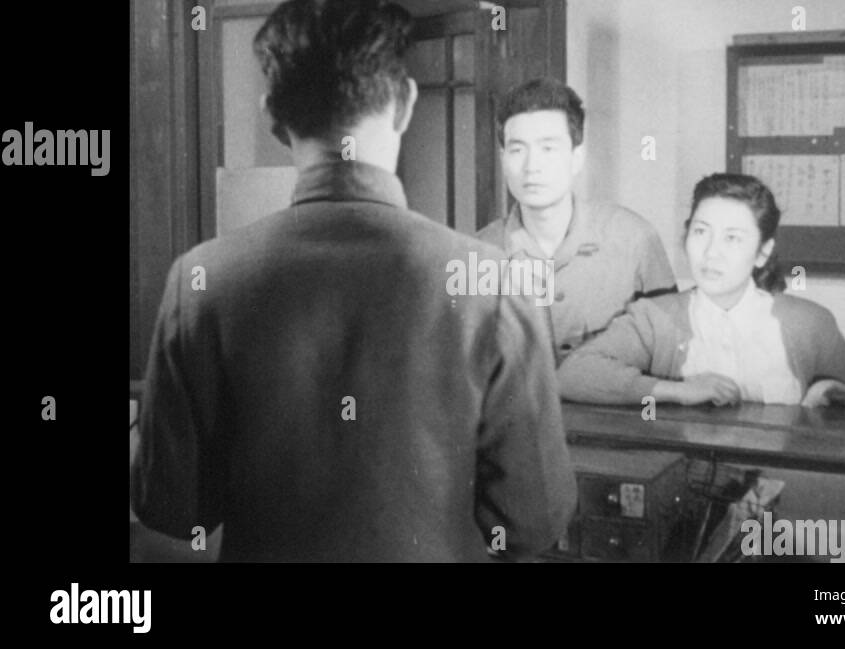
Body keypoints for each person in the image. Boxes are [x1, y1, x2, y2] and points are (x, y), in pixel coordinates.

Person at [130, 0, 576, 562]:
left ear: (272, 117)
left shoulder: (200, 281)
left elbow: (171, 505)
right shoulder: (494, 283)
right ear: (405, 104)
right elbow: (534, 519)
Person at [557, 173, 845, 407]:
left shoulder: (811, 323)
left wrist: (826, 390)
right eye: (701, 232)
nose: (711, 252)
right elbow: (571, 376)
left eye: (732, 238)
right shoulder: (654, 316)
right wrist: (677, 390)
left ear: (762, 252)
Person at [476, 78, 677, 363]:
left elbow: (668, 352)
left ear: (577, 157)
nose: (532, 167)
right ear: (503, 158)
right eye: (517, 150)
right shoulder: (477, 252)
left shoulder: (635, 239)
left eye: (548, 148)